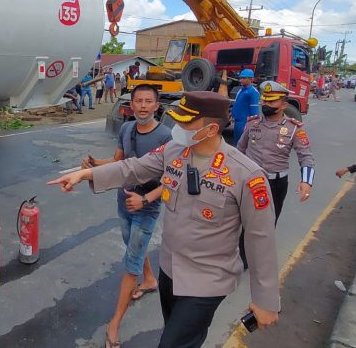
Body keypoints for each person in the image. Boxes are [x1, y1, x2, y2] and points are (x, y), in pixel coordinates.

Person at [49, 91, 280, 347]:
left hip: (207, 280)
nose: (178, 127)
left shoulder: (247, 175)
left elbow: (260, 239)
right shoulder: (174, 151)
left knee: (172, 344)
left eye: (185, 123)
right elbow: (133, 168)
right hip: (169, 269)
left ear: (211, 128)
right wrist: (86, 175)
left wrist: (266, 300)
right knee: (176, 334)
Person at [80, 84, 171, 348]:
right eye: (138, 101)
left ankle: (114, 325)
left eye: (148, 102)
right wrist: (96, 164)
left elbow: (172, 180)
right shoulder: (126, 129)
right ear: (131, 105)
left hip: (147, 204)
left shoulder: (166, 137)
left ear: (157, 106)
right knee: (131, 243)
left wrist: (145, 199)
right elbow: (120, 161)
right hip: (124, 200)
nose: (142, 106)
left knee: (131, 263)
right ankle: (151, 280)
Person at [236, 81, 315, 267]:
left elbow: (306, 157)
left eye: (272, 102)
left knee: (267, 224)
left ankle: (259, 256)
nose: (266, 105)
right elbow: (239, 150)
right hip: (249, 182)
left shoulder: (294, 128)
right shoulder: (252, 123)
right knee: (242, 220)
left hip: (275, 184)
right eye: (264, 100)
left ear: (284, 104)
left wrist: (307, 182)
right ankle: (241, 258)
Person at [231, 69, 260, 145]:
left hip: (244, 122)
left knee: (242, 143)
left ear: (251, 79)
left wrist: (253, 125)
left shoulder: (253, 92)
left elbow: (254, 110)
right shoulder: (241, 90)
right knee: (236, 141)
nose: (241, 80)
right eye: (240, 78)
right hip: (238, 120)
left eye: (244, 78)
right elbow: (237, 103)